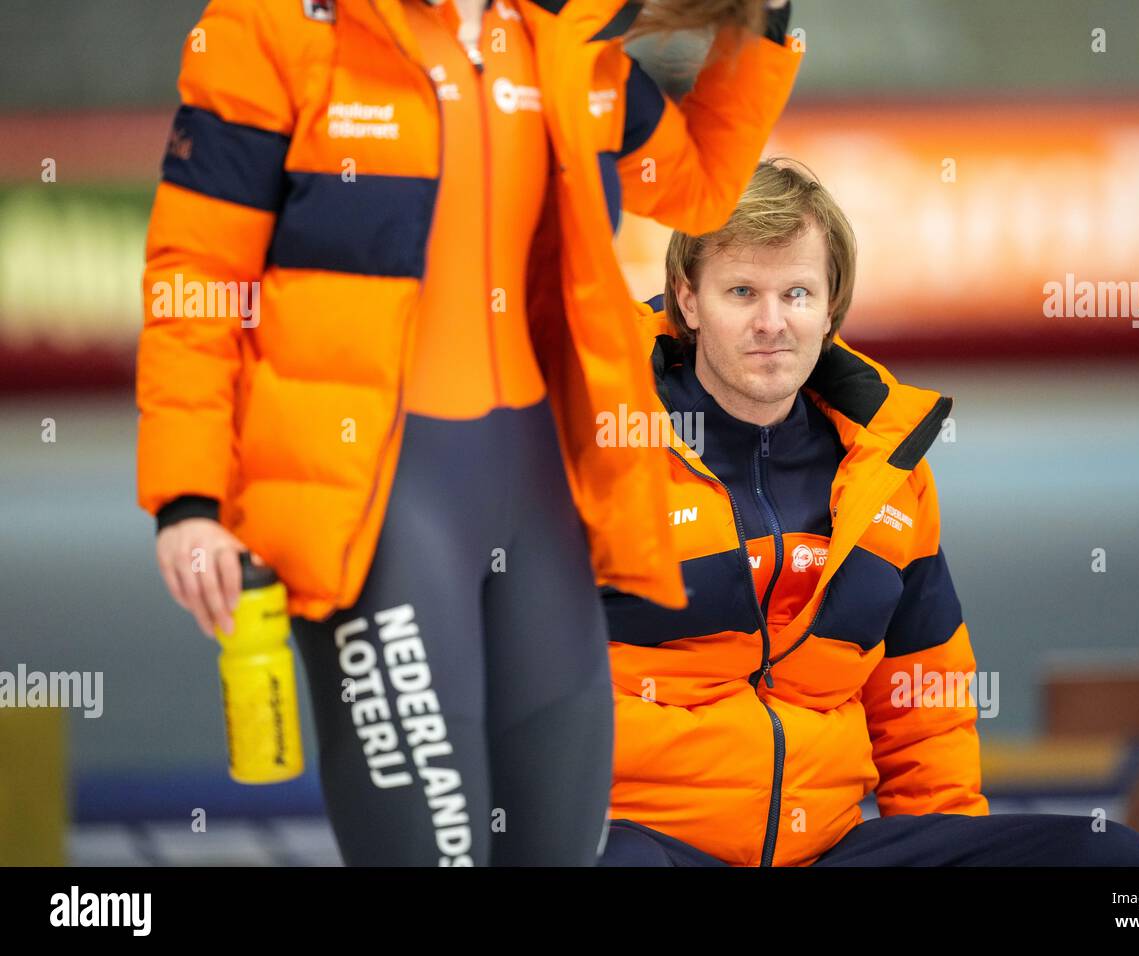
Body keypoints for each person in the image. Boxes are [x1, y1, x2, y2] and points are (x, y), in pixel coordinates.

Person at [137, 0, 801, 865]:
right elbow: (197, 273)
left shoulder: (560, 41)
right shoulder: (274, 27)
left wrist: (764, 22)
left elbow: (698, 187)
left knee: (553, 845)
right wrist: (188, 500)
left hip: (538, 495)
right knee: (434, 850)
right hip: (373, 503)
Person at [596, 159, 1139, 866]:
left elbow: (923, 701)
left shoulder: (886, 470)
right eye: (742, 291)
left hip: (828, 850)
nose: (771, 323)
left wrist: (956, 847)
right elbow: (524, 674)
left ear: (831, 305)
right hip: (646, 844)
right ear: (688, 299)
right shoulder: (597, 441)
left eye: (797, 293)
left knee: (1113, 862)